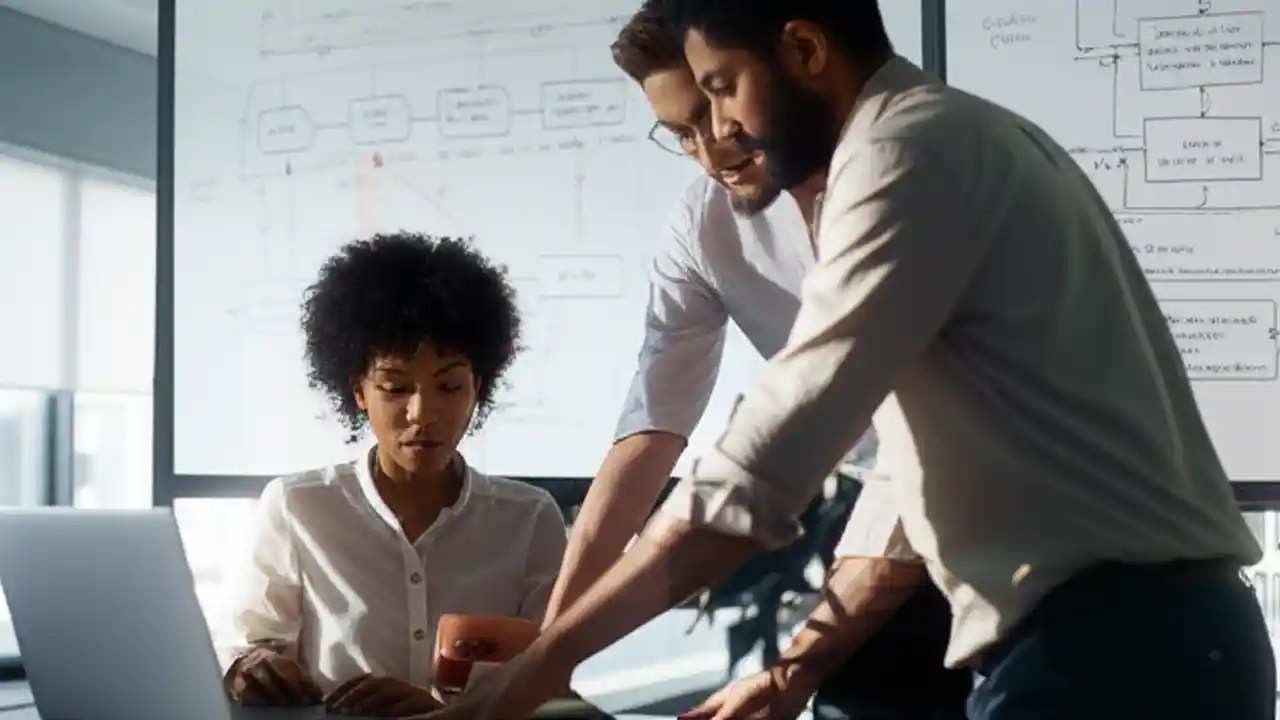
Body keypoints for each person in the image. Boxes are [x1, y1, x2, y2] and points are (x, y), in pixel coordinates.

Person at [412, 1, 1274, 719]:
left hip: (1119, 650)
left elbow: (761, 466)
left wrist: (532, 675)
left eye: (722, 91)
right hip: (1118, 644)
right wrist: (792, 674)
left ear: (805, 49)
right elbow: (898, 482)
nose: (719, 136)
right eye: (690, 123)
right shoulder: (939, 139)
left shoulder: (905, 155)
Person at [541, 4, 970, 718]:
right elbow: (651, 427)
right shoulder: (702, 224)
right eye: (681, 134)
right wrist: (548, 647)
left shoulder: (894, 178)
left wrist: (545, 659)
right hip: (867, 517)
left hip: (969, 508)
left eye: (716, 106)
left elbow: (771, 465)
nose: (714, 150)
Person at [220, 233, 567, 717]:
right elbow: (247, 646)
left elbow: (552, 682)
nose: (423, 413)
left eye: (449, 386)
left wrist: (440, 713)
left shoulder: (528, 521)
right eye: (395, 387)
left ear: (478, 389)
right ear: (358, 391)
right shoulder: (297, 507)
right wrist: (249, 666)